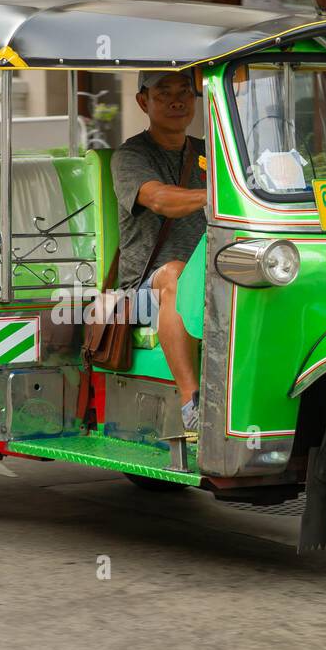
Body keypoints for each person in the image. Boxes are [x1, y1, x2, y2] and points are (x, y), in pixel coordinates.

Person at [110, 70, 208, 435]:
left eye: (185, 92)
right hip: (141, 290)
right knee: (177, 275)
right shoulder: (130, 156)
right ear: (143, 101)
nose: (177, 100)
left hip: (209, 277)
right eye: (163, 92)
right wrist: (217, 195)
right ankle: (192, 405)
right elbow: (158, 199)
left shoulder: (207, 151)